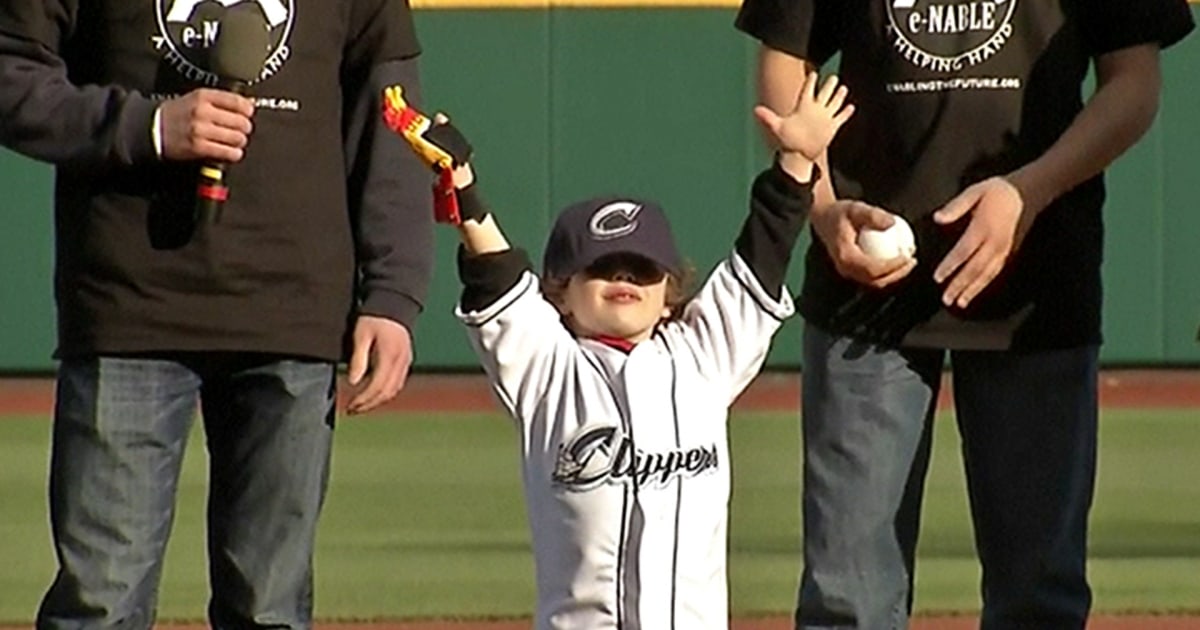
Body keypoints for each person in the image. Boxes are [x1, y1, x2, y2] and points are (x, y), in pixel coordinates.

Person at [733, 1, 1194, 628]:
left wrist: (1028, 191)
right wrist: (821, 207)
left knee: (1040, 599)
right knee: (848, 604)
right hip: (865, 284)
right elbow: (787, 58)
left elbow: (1134, 82)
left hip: (1036, 281)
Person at [0, 0, 433, 627]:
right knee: (100, 601)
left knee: (269, 609)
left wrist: (393, 295)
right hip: (129, 307)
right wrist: (147, 127)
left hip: (294, 311)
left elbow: (390, 117)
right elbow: (11, 71)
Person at [390, 73, 855, 628]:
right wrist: (462, 188)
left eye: (642, 267)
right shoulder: (548, 369)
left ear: (668, 297)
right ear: (560, 292)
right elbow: (497, 277)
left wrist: (798, 162)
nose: (624, 276)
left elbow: (764, 252)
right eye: (602, 266)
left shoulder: (704, 355)